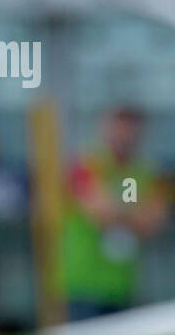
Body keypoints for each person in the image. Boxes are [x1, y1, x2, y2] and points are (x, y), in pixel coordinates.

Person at [62, 108, 169, 320]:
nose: (125, 135)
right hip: (84, 280)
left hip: (123, 281)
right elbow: (99, 210)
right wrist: (134, 212)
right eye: (120, 127)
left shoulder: (145, 169)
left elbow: (155, 220)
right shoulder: (88, 163)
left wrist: (119, 211)